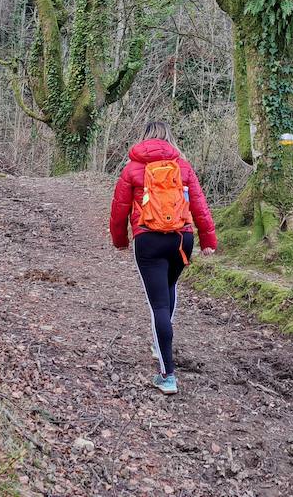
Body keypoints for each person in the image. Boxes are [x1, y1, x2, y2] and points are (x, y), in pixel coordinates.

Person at [109, 121, 217, 395]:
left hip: (149, 240)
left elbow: (120, 208)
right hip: (182, 239)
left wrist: (120, 240)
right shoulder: (182, 166)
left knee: (157, 304)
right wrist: (208, 239)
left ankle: (167, 374)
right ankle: (160, 344)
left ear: (144, 139)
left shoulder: (133, 168)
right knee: (169, 289)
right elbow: (200, 205)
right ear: (169, 139)